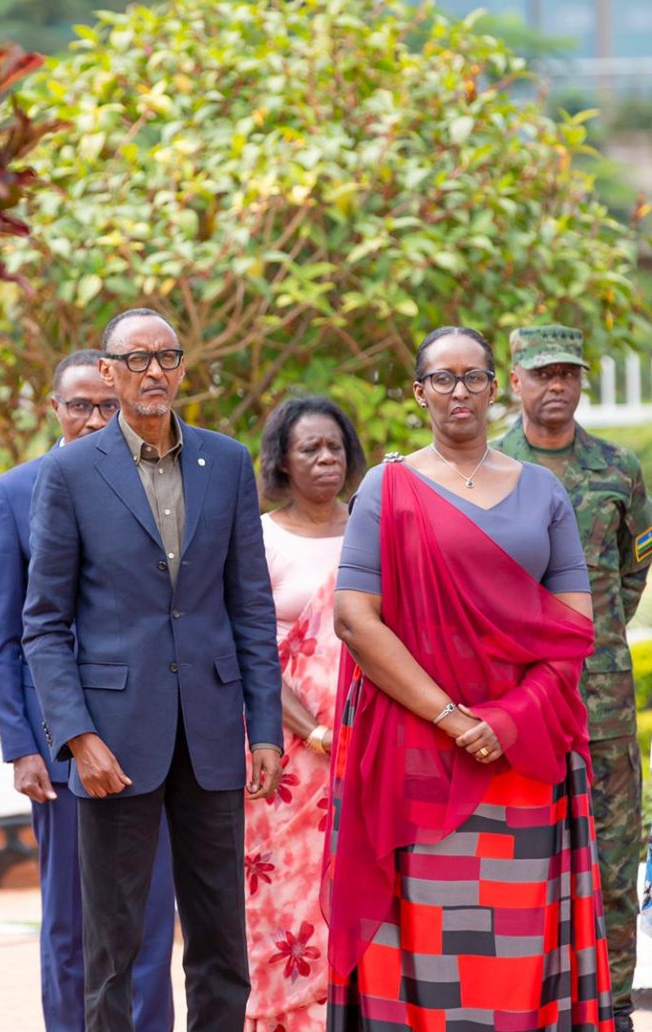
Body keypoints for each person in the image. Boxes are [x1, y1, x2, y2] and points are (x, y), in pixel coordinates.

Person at [323, 326, 614, 1031]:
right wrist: (454, 719)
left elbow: (575, 627)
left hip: (523, 755)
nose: (460, 392)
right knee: (424, 940)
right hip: (417, 752)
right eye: (443, 379)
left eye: (474, 377)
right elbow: (356, 620)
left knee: (517, 946)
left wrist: (506, 721)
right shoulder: (385, 488)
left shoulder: (542, 490)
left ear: (495, 386)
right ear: (420, 392)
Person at [22, 307, 284, 1031]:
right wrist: (76, 736)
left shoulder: (225, 462)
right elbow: (43, 623)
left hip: (209, 734)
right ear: (108, 373)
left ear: (181, 366)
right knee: (113, 947)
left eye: (166, 357)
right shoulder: (70, 472)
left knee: (221, 945)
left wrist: (263, 729)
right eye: (135, 360)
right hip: (114, 742)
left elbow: (251, 608)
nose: (154, 372)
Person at [0, 349, 176, 1032]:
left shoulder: (157, 483)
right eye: (79, 406)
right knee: (71, 924)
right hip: (61, 751)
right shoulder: (15, 491)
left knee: (152, 920)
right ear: (54, 409)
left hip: (151, 737)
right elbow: (4, 634)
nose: (94, 419)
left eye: (105, 406)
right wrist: (23, 746)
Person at [497, 324, 652, 1032]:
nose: (556, 386)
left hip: (605, 696)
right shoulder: (491, 464)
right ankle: (528, 997)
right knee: (521, 849)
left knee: (616, 851)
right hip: (515, 694)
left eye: (568, 374)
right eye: (542, 373)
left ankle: (614, 1003)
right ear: (516, 380)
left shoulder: (619, 469)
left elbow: (631, 571)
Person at [245, 396, 366, 1031]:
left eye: (334, 447)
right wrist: (318, 735)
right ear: (282, 463)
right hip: (286, 760)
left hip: (372, 751)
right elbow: (248, 652)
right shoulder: (259, 536)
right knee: (288, 894)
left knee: (362, 892)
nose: (325, 458)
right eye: (308, 449)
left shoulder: (375, 529)